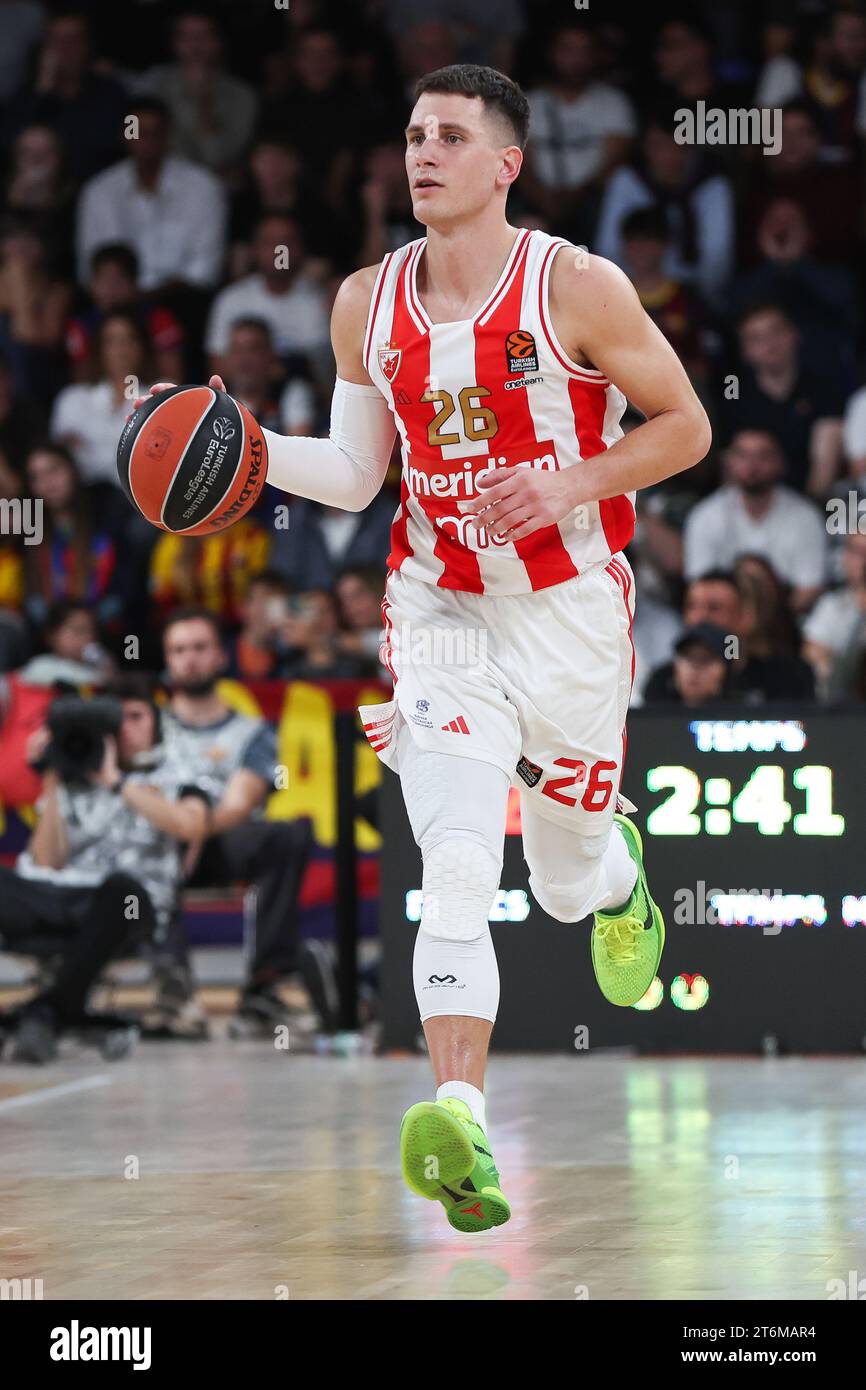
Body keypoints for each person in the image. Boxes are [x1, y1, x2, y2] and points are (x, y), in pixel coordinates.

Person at [138, 63, 711, 1232]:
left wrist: (571, 480)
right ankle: (463, 1121)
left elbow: (688, 426)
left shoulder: (577, 287)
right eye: (411, 135)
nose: (422, 153)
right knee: (454, 860)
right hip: (437, 611)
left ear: (506, 165)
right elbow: (353, 478)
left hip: (568, 619)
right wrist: (243, 444)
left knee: (559, 886)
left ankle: (618, 876)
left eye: (450, 136)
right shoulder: (364, 300)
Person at [0, 676, 210, 1063]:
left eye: (136, 717)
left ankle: (43, 1011)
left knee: (120, 890)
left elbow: (190, 825)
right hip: (62, 898)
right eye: (117, 720)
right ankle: (55, 1011)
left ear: (156, 722)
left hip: (129, 906)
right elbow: (46, 862)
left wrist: (116, 782)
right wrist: (50, 779)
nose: (126, 729)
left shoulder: (174, 768)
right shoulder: (73, 771)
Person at [153, 607, 312, 1038]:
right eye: (179, 650)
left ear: (221, 656)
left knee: (288, 837)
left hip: (220, 845)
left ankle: (265, 985)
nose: (190, 659)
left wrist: (196, 829)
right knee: (148, 846)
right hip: (161, 849)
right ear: (167, 660)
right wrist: (178, 827)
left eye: (200, 648)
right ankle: (174, 986)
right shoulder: (147, 728)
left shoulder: (252, 732)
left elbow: (240, 803)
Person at [683, 428, 826, 612]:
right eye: (742, 455)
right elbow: (699, 587)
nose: (752, 465)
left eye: (763, 456)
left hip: (785, 623)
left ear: (780, 462)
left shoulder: (805, 517)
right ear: (729, 462)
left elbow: (809, 589)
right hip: (723, 622)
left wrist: (768, 623)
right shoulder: (705, 515)